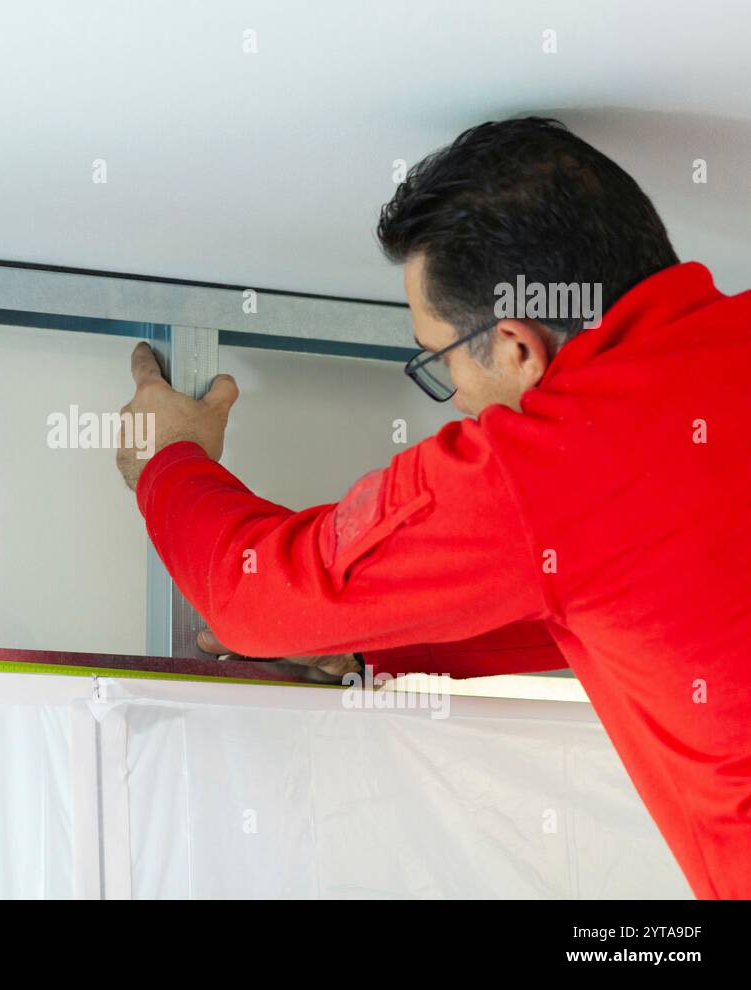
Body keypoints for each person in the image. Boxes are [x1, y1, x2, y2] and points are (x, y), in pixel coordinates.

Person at [114, 117, 750, 899]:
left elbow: (254, 595)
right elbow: (636, 600)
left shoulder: (549, 467)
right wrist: (376, 648)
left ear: (517, 346)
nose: (456, 403)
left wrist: (167, 462)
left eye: (439, 359)